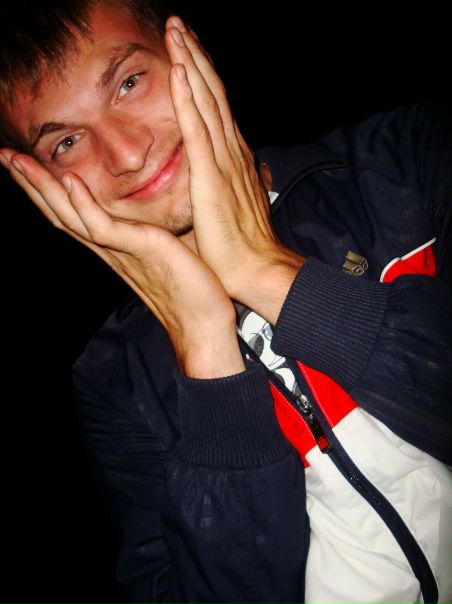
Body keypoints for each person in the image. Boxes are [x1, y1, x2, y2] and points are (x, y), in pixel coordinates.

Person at [1, 1, 451, 602]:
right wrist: (206, 353)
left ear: (190, 53)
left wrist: (263, 270)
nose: (127, 154)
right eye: (67, 142)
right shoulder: (113, 382)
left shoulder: (406, 159)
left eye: (129, 83)